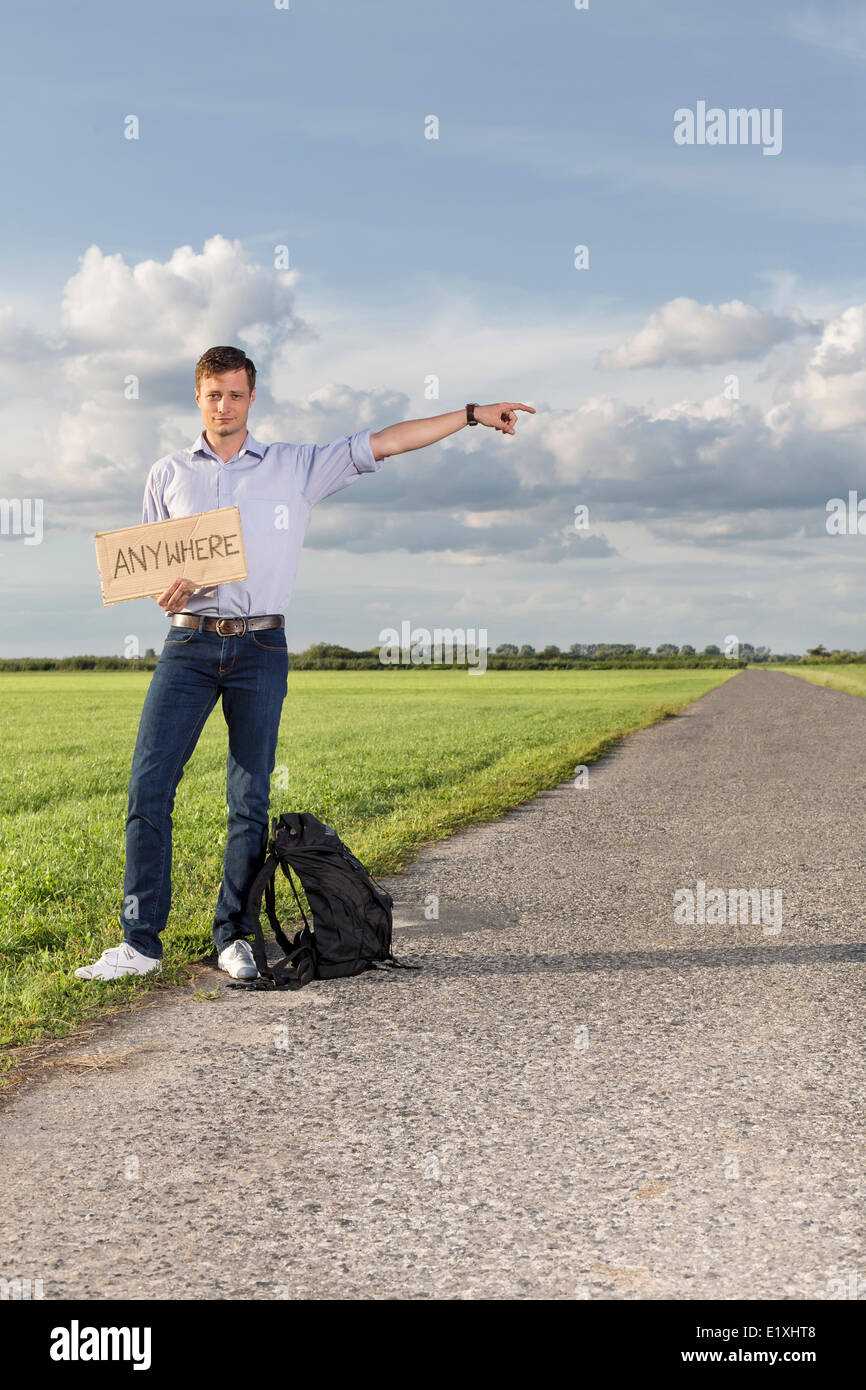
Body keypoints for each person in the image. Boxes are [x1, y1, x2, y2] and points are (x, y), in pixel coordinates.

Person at [76, 345, 534, 982]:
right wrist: (165, 591)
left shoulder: (296, 467)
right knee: (149, 788)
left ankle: (234, 935)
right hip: (188, 644)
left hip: (261, 648)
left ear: (252, 397)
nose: (224, 406)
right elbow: (155, 569)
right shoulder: (168, 473)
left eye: (236, 394)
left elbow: (387, 442)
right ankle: (140, 943)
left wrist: (472, 414)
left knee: (249, 796)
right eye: (213, 395)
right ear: (198, 398)